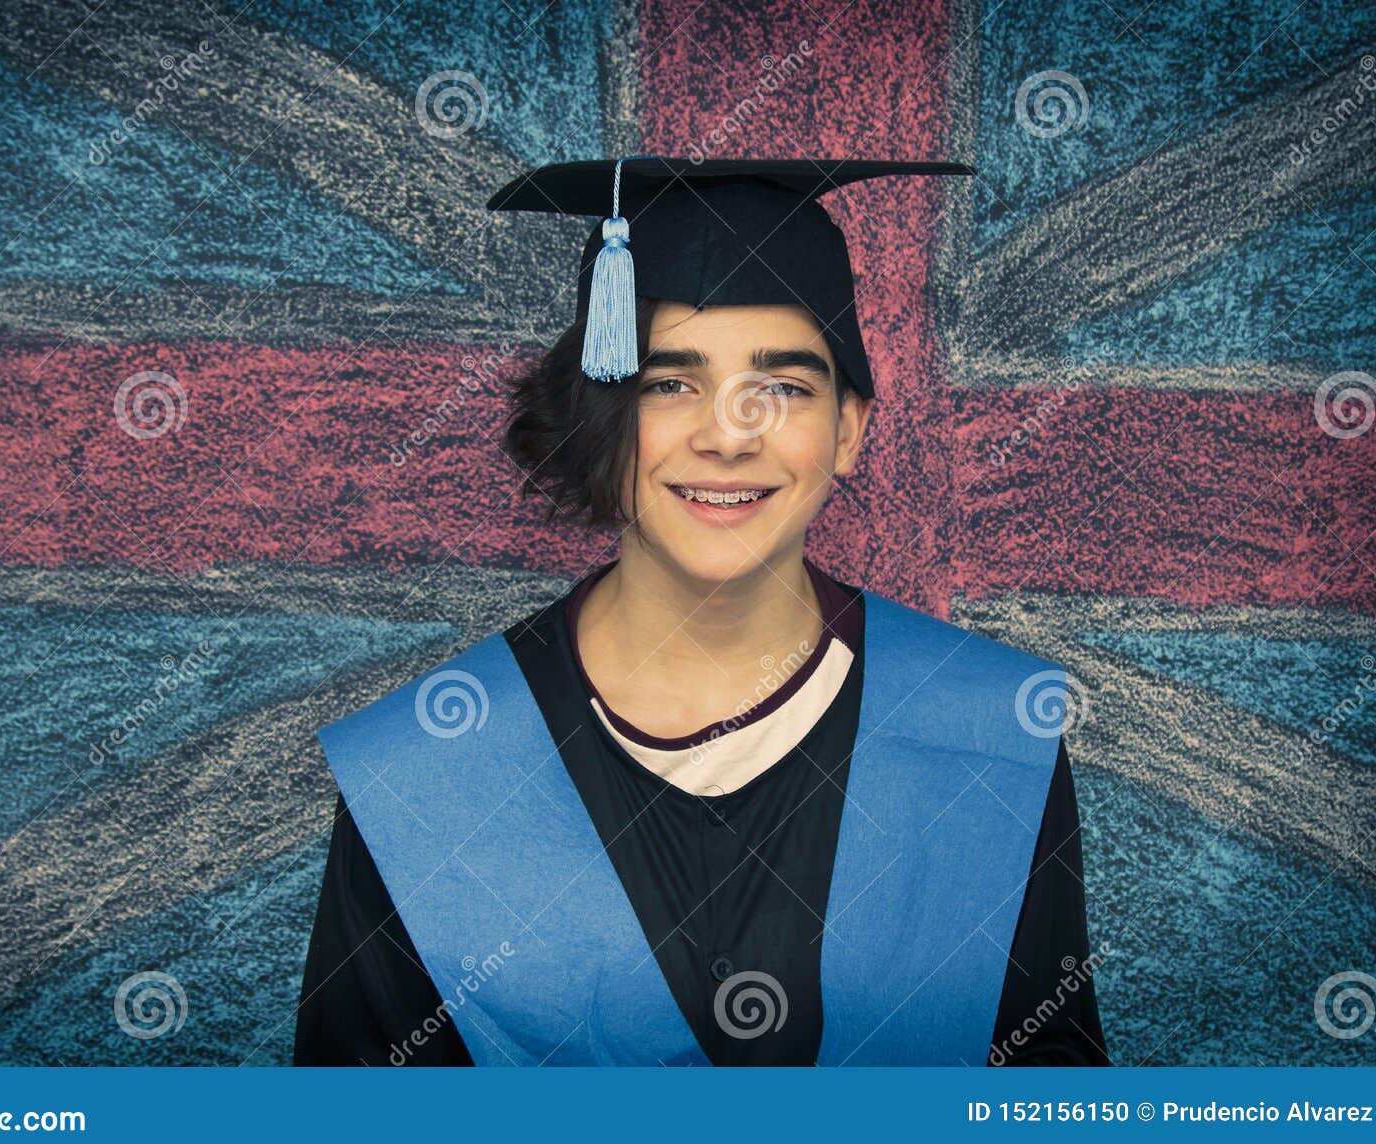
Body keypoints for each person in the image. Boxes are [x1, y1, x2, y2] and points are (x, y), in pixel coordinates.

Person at [294, 157, 1108, 1067]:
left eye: (785, 387)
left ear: (849, 430)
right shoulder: (428, 769)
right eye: (668, 383)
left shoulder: (987, 733)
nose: (726, 433)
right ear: (599, 413)